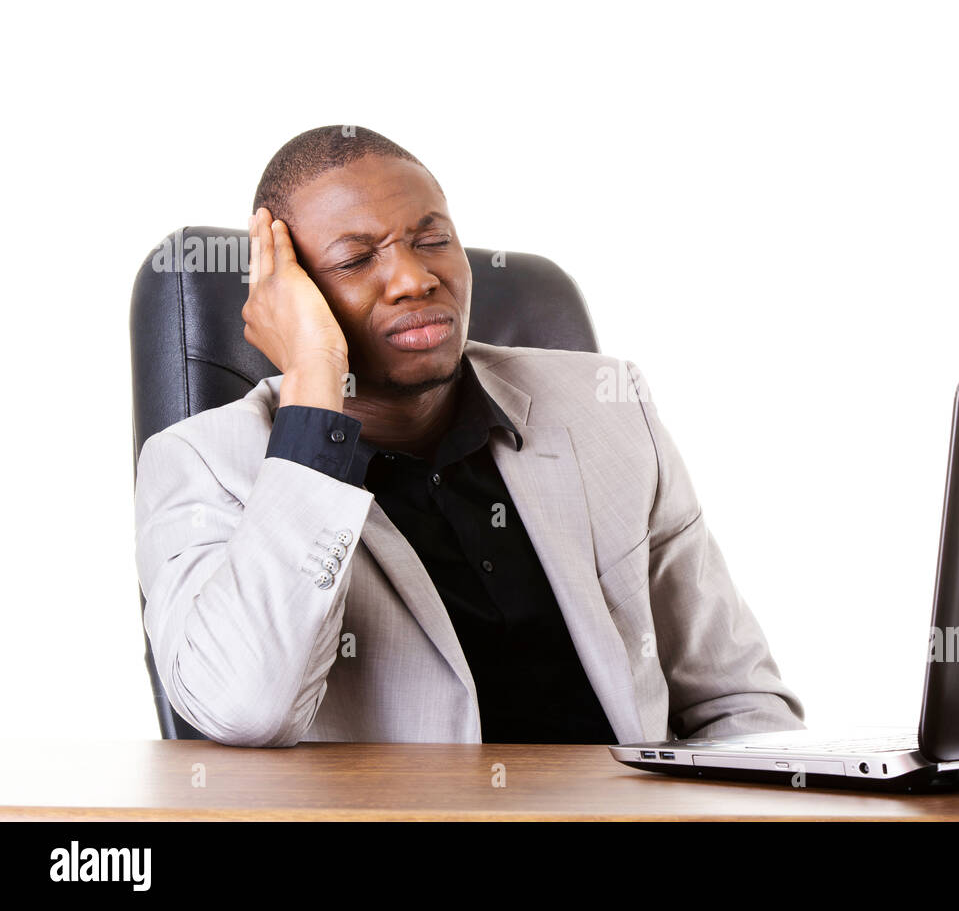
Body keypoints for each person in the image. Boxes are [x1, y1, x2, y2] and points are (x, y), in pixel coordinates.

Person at [133, 125, 806, 747]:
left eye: (432, 241)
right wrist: (314, 378)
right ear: (291, 295)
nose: (414, 278)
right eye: (357, 258)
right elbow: (249, 706)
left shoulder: (610, 411)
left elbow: (739, 703)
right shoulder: (198, 466)